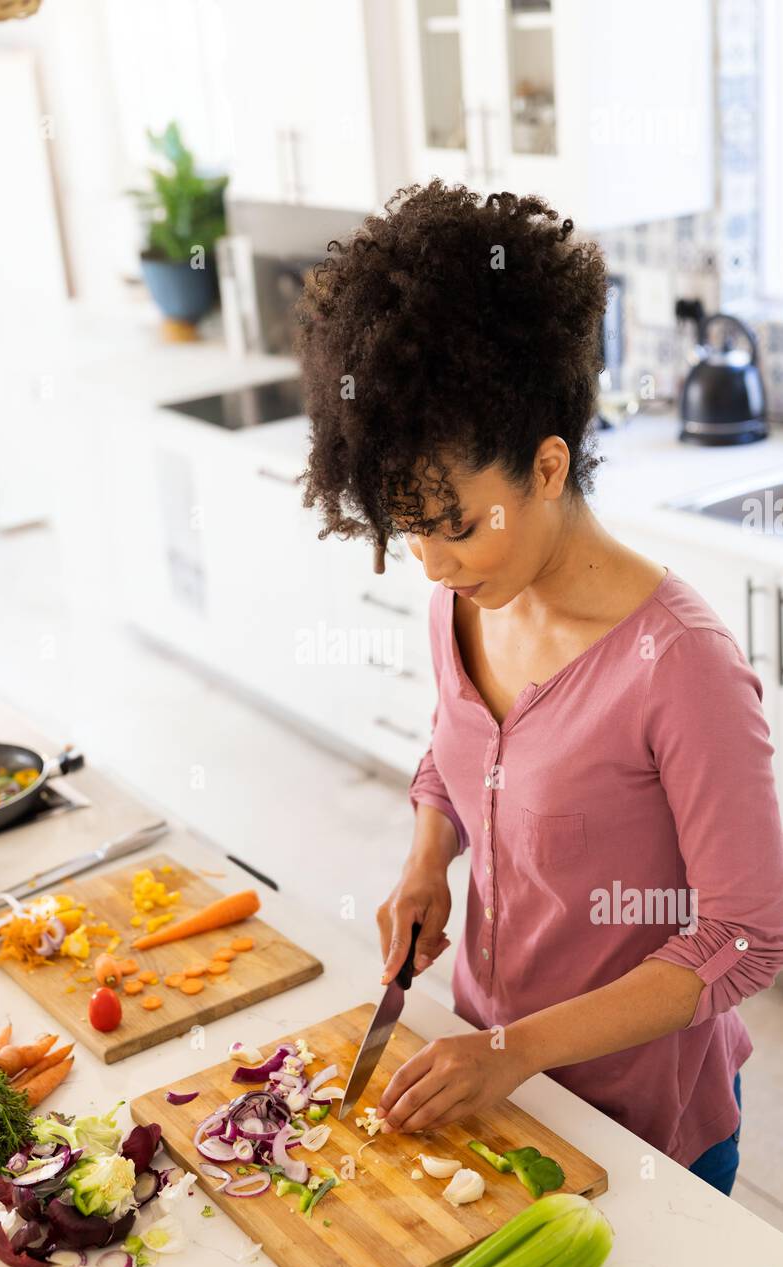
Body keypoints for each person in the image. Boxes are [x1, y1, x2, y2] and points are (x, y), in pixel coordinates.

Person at [297, 182, 783, 1195]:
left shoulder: (681, 665)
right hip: (490, 1079)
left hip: (645, 1130)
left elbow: (746, 934)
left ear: (549, 467)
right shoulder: (465, 599)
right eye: (408, 527)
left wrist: (520, 1046)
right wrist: (429, 855)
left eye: (458, 523)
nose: (431, 562)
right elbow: (457, 752)